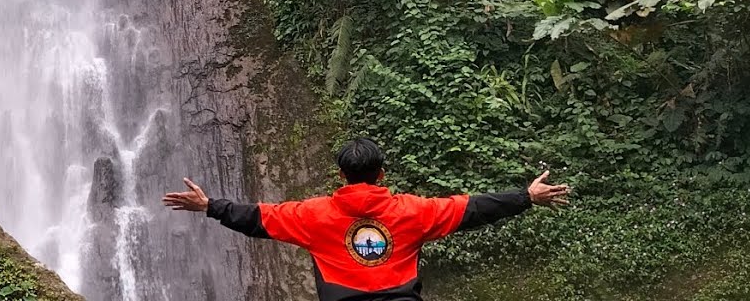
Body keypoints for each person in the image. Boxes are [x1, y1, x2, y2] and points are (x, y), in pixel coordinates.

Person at [162, 137, 570, 301]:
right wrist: (526, 196)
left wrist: (209, 205)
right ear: (382, 174)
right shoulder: (413, 211)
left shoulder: (312, 216)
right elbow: (473, 208)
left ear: (341, 175)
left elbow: (256, 218)